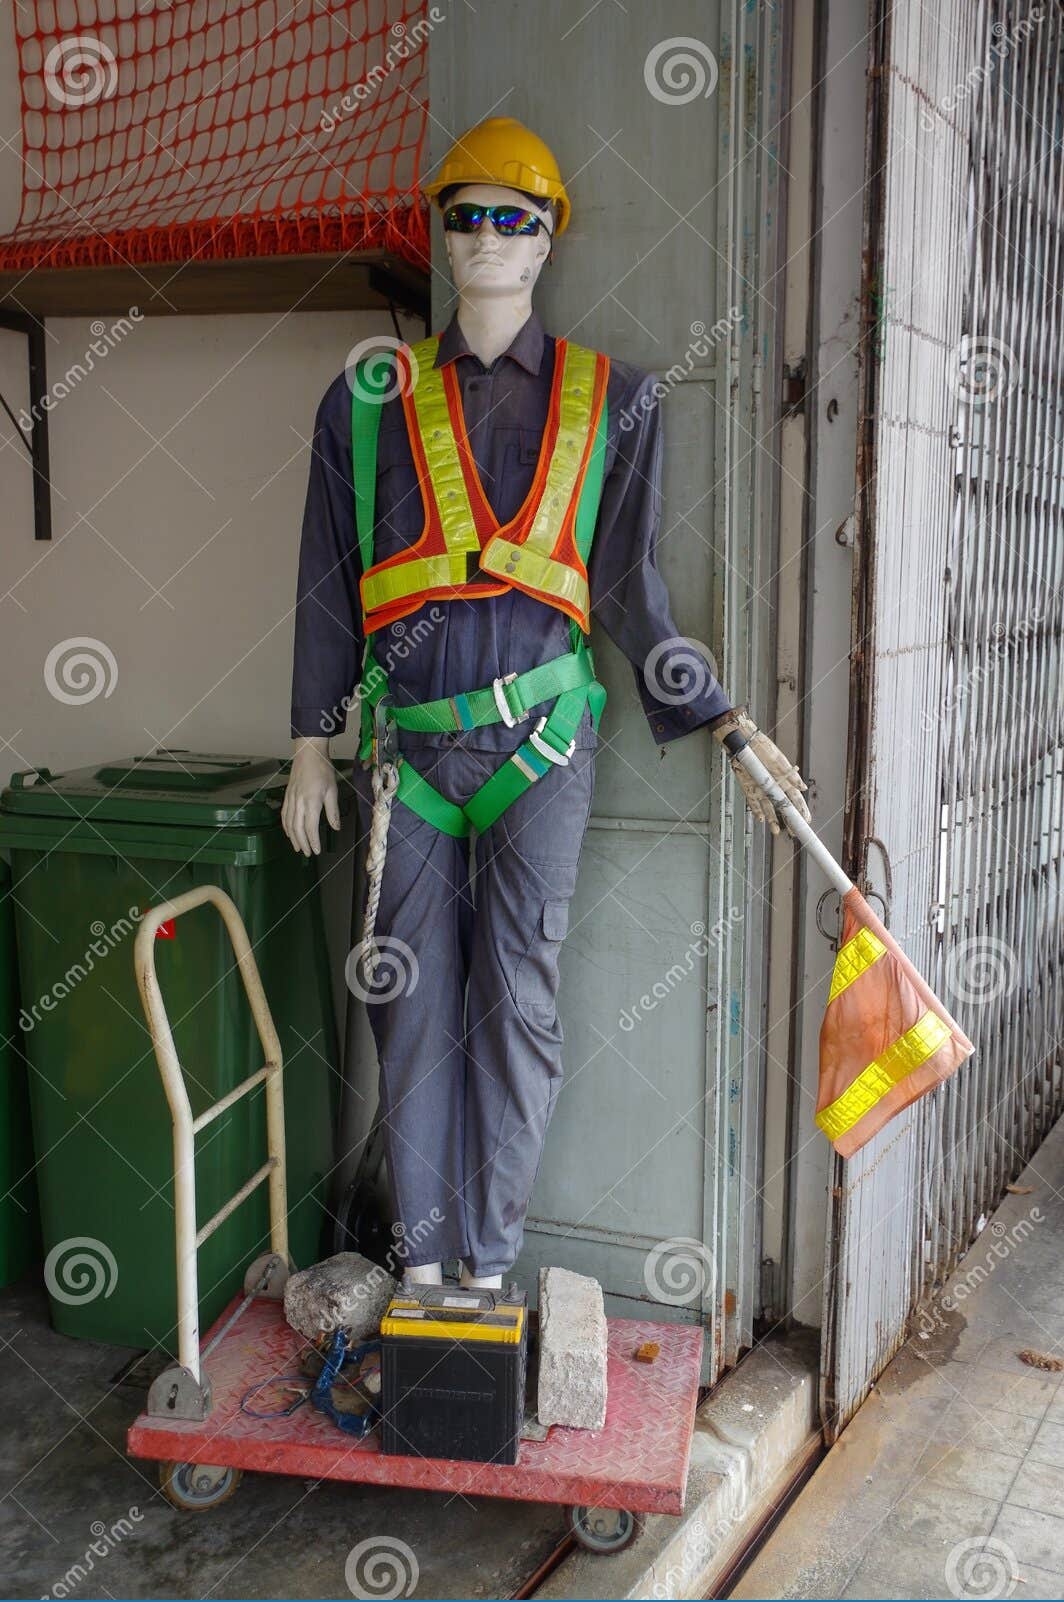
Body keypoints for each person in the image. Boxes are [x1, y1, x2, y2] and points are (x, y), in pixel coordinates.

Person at [284, 118, 809, 1290]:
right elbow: (327, 578)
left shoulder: (612, 398)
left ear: (545, 243)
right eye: (463, 215)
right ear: (440, 234)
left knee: (517, 1006)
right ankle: (423, 1276)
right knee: (407, 1011)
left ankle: (486, 1265)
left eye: (511, 218)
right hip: (403, 757)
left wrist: (718, 715)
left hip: (544, 744)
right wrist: (309, 744)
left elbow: (630, 587)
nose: (484, 237)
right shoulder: (368, 400)